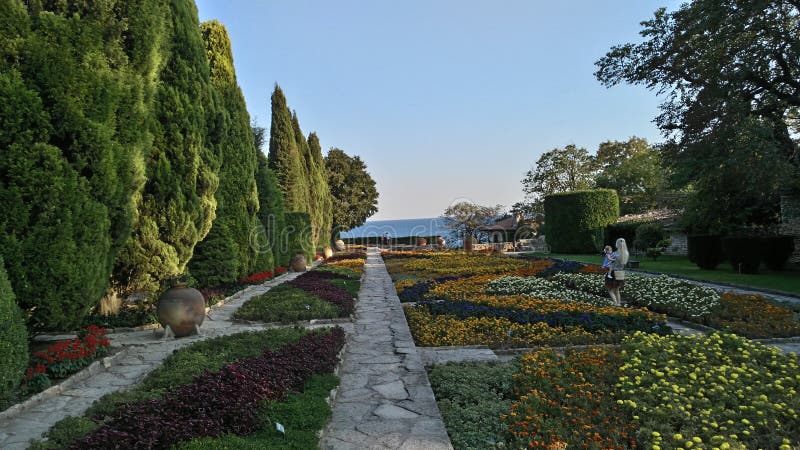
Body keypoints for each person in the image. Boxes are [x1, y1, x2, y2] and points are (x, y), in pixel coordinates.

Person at [604, 238, 629, 306]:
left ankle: (615, 303)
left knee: (610, 290)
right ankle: (619, 303)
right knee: (617, 290)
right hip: (620, 273)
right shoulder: (626, 253)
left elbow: (609, 261)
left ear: (617, 244)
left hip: (613, 273)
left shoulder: (615, 253)